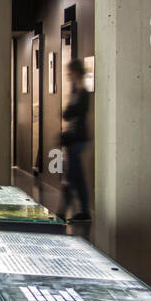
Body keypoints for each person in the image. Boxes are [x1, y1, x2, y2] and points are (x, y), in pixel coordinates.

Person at [60, 60, 90, 222]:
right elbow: (67, 114)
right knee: (74, 177)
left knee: (73, 177)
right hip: (73, 140)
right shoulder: (75, 92)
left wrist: (70, 111)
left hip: (78, 140)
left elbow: (72, 113)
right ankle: (76, 211)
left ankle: (67, 212)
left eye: (70, 72)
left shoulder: (83, 93)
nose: (68, 76)